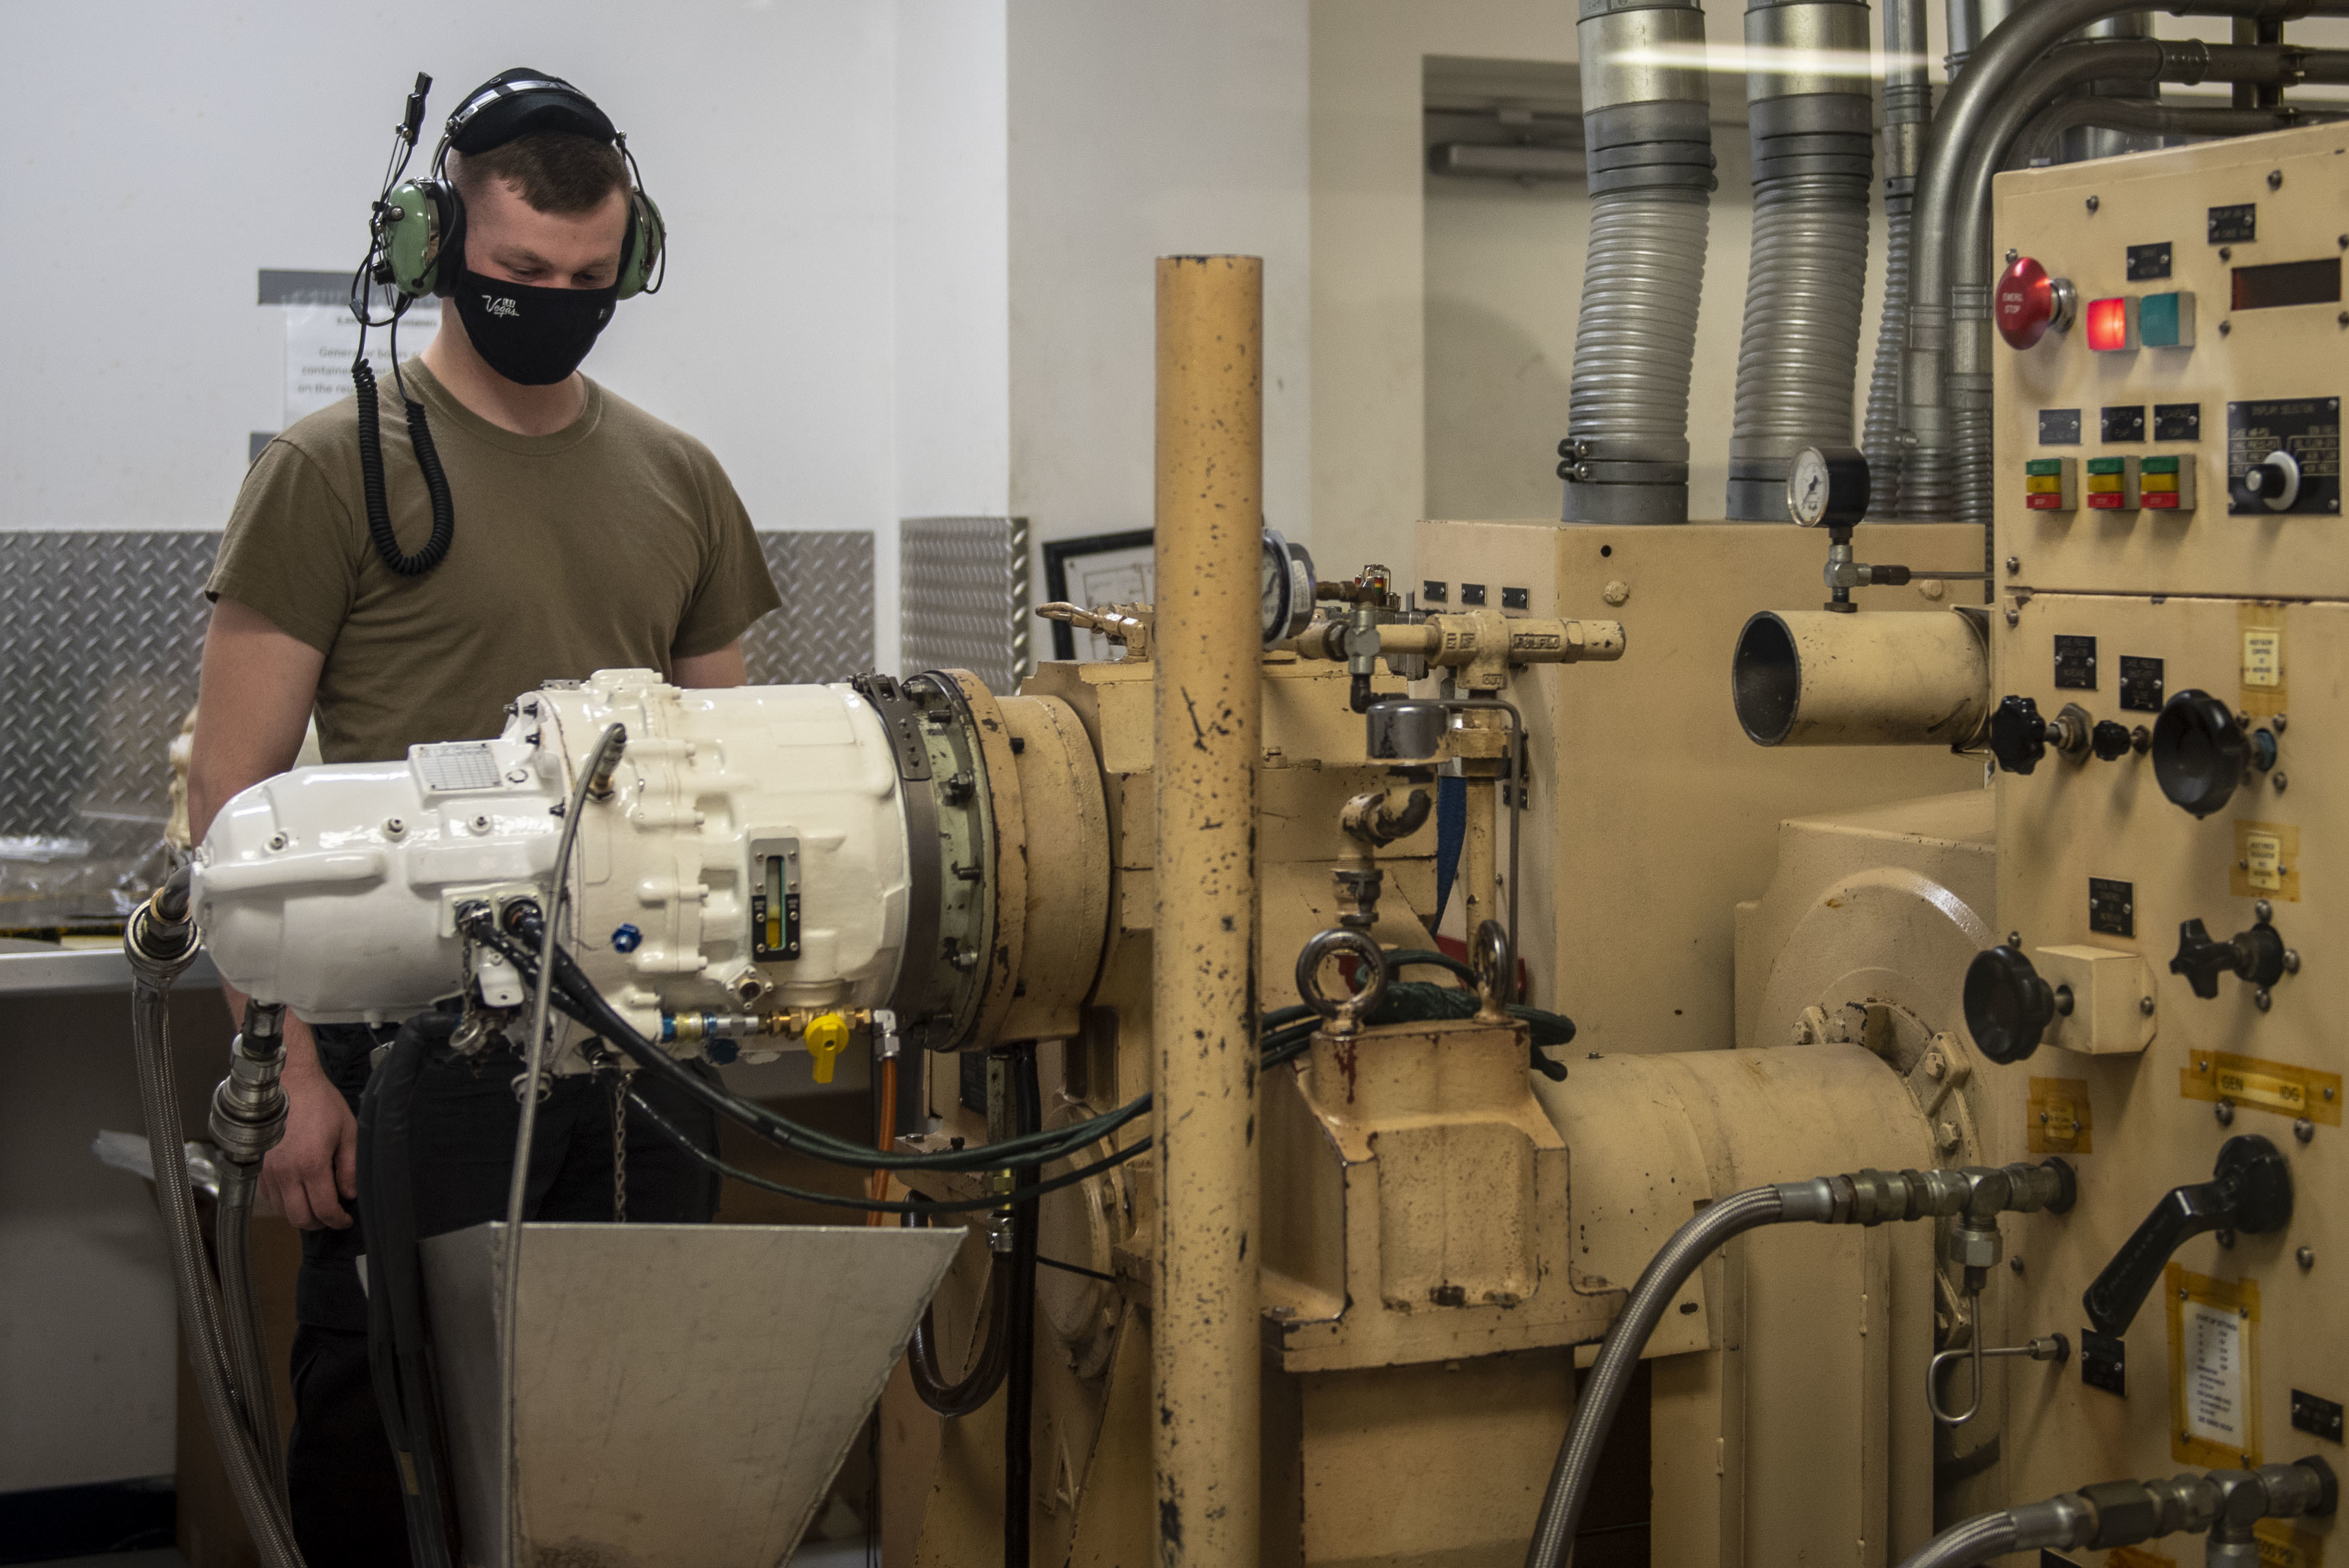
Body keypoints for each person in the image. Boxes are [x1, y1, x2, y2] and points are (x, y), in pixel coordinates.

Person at [186, 70, 781, 1565]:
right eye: (520, 273)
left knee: (630, 1434)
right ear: (435, 244)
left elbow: (732, 764)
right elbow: (232, 800)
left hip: (639, 1050)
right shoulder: (332, 473)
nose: (554, 302)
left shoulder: (681, 481)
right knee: (388, 1438)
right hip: (413, 1057)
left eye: (588, 281)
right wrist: (287, 1066)